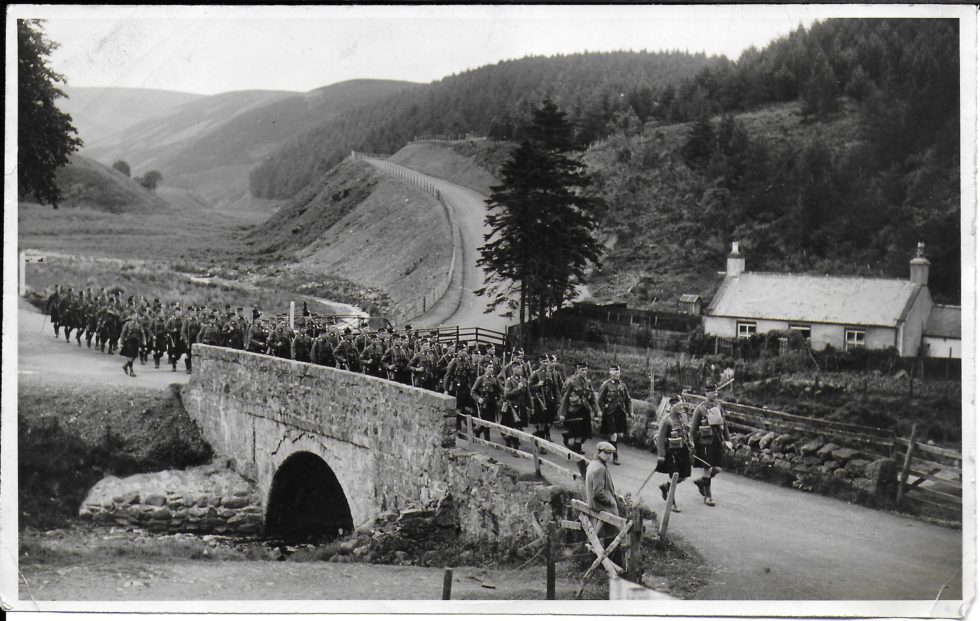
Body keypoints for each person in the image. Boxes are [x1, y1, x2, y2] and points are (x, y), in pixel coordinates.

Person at [689, 385, 733, 507]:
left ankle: (701, 481)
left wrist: (728, 440)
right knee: (707, 469)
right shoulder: (700, 409)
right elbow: (692, 429)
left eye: (716, 392)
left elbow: (724, 424)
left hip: (717, 442)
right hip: (705, 443)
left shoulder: (718, 406)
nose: (715, 394)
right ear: (706, 393)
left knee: (717, 468)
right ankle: (708, 497)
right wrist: (691, 443)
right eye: (713, 392)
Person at [586, 441, 625, 566]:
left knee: (611, 534)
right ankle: (615, 565)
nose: (609, 456)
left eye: (611, 454)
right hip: (601, 507)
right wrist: (611, 500)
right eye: (606, 453)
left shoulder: (594, 464)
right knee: (616, 533)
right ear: (599, 452)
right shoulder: (600, 468)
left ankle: (610, 563)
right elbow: (598, 493)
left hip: (595, 505)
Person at [655, 396, 692, 513]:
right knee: (675, 476)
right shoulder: (667, 421)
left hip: (683, 451)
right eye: (679, 405)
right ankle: (672, 503)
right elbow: (660, 439)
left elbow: (686, 432)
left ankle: (666, 486)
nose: (682, 407)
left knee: (684, 476)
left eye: (682, 405)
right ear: (672, 406)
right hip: (672, 453)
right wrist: (661, 455)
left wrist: (690, 442)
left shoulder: (682, 419)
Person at [558, 361, 599, 455]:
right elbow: (566, 399)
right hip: (575, 411)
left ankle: (569, 439)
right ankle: (577, 450)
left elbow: (592, 398)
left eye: (586, 370)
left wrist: (598, 410)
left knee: (586, 433)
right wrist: (562, 414)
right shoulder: (572, 382)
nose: (584, 372)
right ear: (577, 370)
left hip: (585, 411)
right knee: (578, 433)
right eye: (582, 370)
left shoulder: (588, 383)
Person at [597, 364, 634, 465]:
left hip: (620, 412)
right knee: (614, 435)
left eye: (618, 372)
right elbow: (599, 400)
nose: (617, 374)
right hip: (610, 412)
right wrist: (600, 410)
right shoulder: (606, 385)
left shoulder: (622, 384)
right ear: (611, 373)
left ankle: (603, 451)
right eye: (615, 373)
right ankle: (615, 457)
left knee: (619, 435)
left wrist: (630, 411)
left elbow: (628, 399)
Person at [501, 363, 531, 450]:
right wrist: (517, 388)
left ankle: (508, 438)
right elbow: (507, 395)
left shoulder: (524, 380)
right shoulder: (509, 381)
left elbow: (527, 395)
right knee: (514, 426)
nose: (520, 370)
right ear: (513, 369)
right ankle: (515, 447)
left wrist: (531, 406)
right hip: (512, 407)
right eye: (517, 368)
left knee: (518, 426)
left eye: (521, 368)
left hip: (521, 406)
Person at [470, 362, 502, 441]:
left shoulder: (495, 379)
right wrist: (478, 398)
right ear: (485, 369)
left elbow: (501, 389)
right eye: (489, 367)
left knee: (490, 422)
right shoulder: (481, 379)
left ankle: (477, 431)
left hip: (492, 403)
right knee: (486, 421)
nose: (491, 369)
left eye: (492, 367)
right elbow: (473, 391)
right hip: (484, 404)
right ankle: (487, 440)